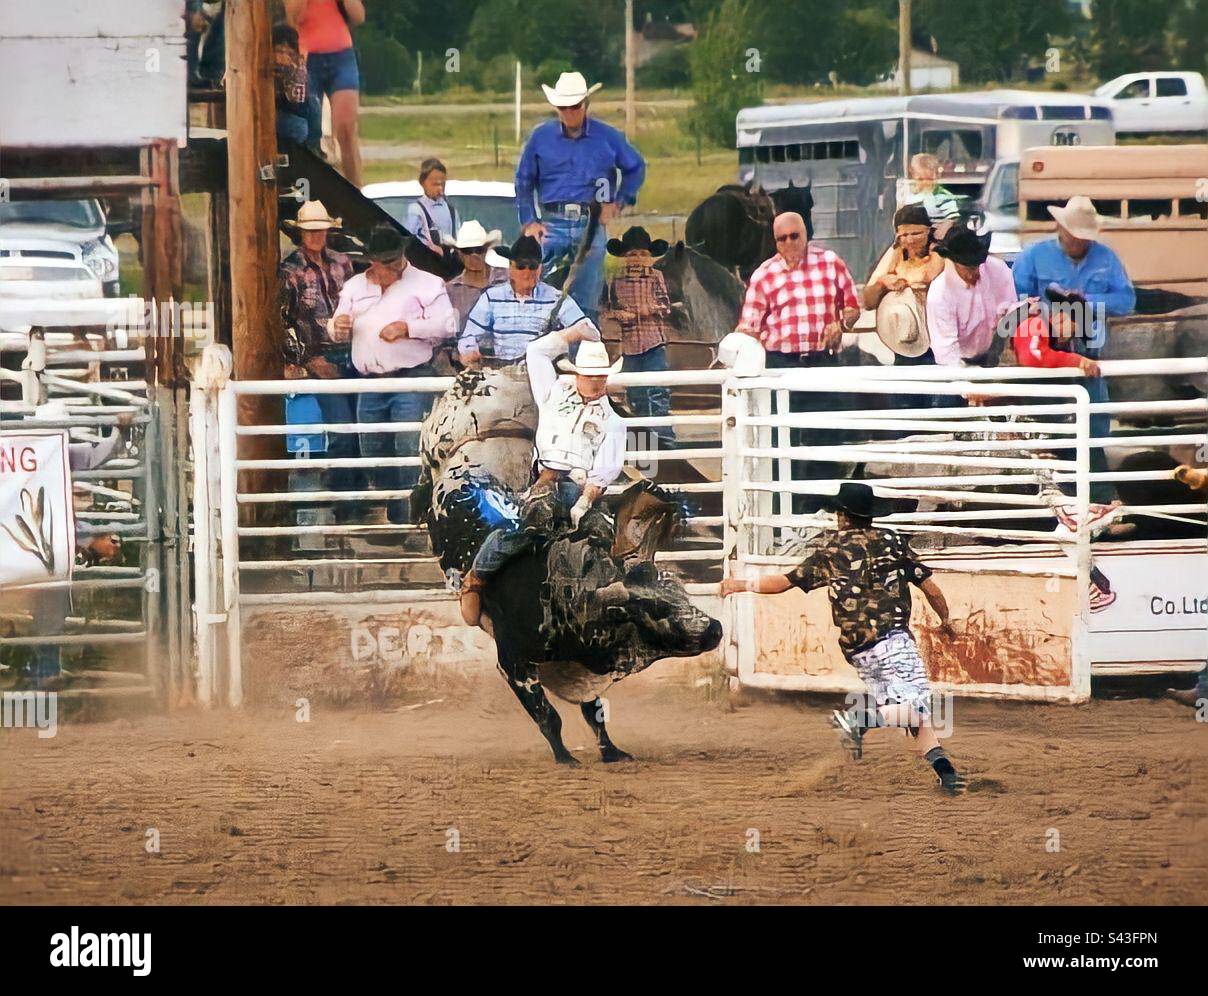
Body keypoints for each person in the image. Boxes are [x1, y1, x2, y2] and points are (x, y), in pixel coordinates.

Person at [719, 482, 967, 795]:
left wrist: (740, 584)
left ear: (843, 516)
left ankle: (945, 772)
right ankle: (858, 720)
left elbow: (782, 583)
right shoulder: (893, 542)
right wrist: (945, 620)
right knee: (917, 709)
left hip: (859, 648)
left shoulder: (831, 552)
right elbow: (929, 587)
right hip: (893, 639)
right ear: (869, 515)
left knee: (908, 711)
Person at [460, 324, 625, 629]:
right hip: (545, 481)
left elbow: (604, 470)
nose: (596, 382)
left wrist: (585, 501)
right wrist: (574, 333)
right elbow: (536, 351)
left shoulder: (613, 421)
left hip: (579, 489)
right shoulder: (553, 391)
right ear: (577, 375)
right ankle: (475, 579)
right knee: (525, 525)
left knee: (604, 539)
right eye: (590, 375)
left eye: (601, 376)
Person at [1012, 195, 1135, 502]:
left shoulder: (1106, 258)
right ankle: (1080, 499)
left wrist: (1086, 303)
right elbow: (1015, 301)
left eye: (1084, 236)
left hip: (1090, 356)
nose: (1078, 241)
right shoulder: (1033, 256)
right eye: (1074, 234)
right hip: (1048, 358)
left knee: (1094, 427)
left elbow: (1127, 301)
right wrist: (1050, 318)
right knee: (1056, 428)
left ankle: (1094, 500)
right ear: (1061, 227)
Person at [737, 210, 860, 513]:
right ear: (775, 242)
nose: (790, 243)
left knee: (826, 434)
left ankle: (824, 506)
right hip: (781, 365)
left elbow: (853, 307)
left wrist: (840, 325)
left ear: (806, 235)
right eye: (783, 238)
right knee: (782, 437)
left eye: (795, 236)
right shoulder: (764, 275)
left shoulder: (830, 263)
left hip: (822, 361)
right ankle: (784, 509)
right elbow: (749, 325)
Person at [334, 226, 456, 524]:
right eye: (386, 261)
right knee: (373, 449)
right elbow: (336, 323)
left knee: (407, 447)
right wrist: (337, 327)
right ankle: (391, 514)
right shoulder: (354, 287)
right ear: (374, 262)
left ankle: (410, 518)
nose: (393, 266)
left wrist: (408, 328)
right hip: (370, 380)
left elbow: (448, 325)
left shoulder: (428, 284)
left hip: (410, 377)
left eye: (395, 259)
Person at [515, 71, 646, 323]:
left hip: (592, 222)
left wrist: (618, 202)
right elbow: (523, 181)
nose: (570, 112)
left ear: (585, 105)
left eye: (575, 106)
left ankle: (582, 355)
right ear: (557, 108)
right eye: (564, 107)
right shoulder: (540, 137)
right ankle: (530, 341)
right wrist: (529, 221)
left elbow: (635, 166)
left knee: (588, 295)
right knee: (529, 283)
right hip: (551, 222)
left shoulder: (608, 137)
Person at [279, 200, 361, 519]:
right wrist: (306, 359)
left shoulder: (344, 264)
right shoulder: (289, 270)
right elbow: (282, 320)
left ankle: (356, 497)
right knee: (341, 431)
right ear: (301, 233)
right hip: (318, 355)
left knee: (358, 428)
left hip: (351, 354)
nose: (316, 236)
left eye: (320, 230)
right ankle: (347, 506)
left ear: (327, 230)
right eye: (310, 231)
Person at [458, 234, 596, 366]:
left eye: (532, 266)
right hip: (502, 372)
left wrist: (563, 337)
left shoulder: (555, 298)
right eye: (521, 266)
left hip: (543, 372)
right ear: (511, 268)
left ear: (540, 268)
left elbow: (592, 332)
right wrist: (469, 350)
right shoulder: (492, 297)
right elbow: (468, 338)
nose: (527, 273)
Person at [602, 226, 675, 448]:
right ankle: (643, 442)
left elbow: (666, 305)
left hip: (654, 343)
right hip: (630, 345)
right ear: (624, 257)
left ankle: (664, 441)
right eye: (632, 254)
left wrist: (648, 308)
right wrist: (619, 315)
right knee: (635, 394)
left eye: (643, 254)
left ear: (650, 257)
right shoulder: (616, 280)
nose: (637, 259)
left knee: (657, 391)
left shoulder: (656, 277)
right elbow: (608, 308)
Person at [287, 0, 364, 183]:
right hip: (307, 57)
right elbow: (294, 16)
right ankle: (310, 194)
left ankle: (357, 193)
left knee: (346, 128)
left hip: (341, 54)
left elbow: (358, 16)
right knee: (308, 133)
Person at [925, 227, 1019, 370]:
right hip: (959, 362)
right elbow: (947, 352)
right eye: (967, 268)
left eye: (976, 265)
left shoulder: (998, 269)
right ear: (953, 261)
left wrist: (1007, 350)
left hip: (997, 352)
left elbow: (1012, 311)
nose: (974, 272)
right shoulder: (939, 294)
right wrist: (967, 386)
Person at [443, 220, 508, 335]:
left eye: (479, 250)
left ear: (486, 250)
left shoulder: (506, 278)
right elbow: (450, 331)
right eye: (467, 251)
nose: (474, 256)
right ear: (459, 253)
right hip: (466, 349)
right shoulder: (450, 291)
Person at [404, 159, 456, 254]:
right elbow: (409, 240)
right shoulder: (416, 210)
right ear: (423, 183)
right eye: (435, 185)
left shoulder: (450, 209)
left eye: (442, 184)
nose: (440, 188)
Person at [904, 153, 961, 238]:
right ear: (913, 176)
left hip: (934, 234)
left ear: (936, 176)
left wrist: (943, 228)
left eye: (929, 179)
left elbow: (953, 216)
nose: (925, 183)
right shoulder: (909, 194)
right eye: (920, 179)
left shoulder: (941, 195)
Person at [272, 23, 309, 147]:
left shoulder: (295, 68)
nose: (284, 56)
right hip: (268, 114)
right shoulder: (266, 66)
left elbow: (296, 101)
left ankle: (313, 148)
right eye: (279, 51)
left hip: (288, 109)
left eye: (289, 53)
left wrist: (290, 74)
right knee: (299, 127)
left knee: (313, 104)